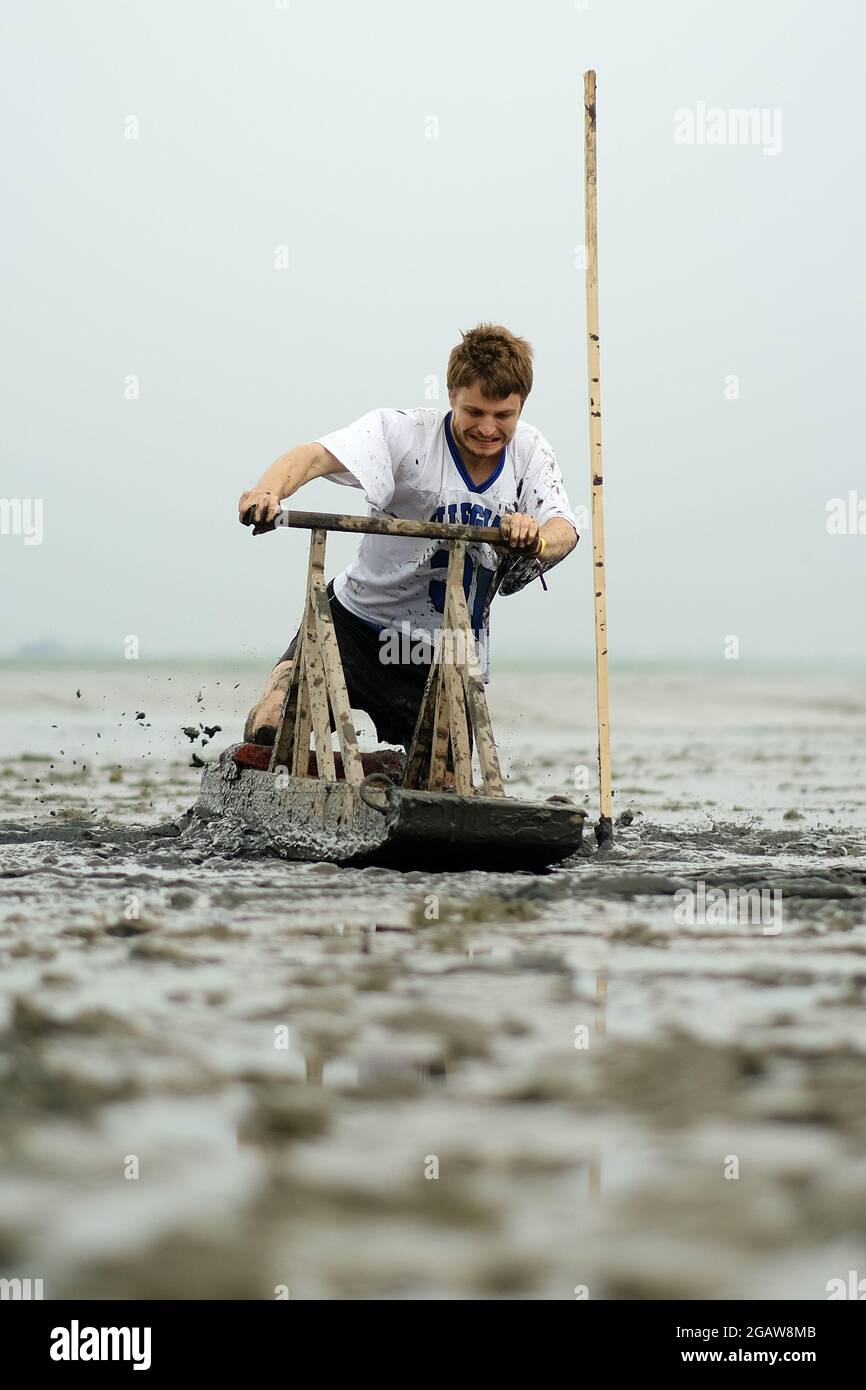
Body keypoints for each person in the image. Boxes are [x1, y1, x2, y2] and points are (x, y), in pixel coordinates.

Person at [238, 323, 579, 748]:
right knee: (274, 727)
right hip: (355, 626)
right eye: (475, 413)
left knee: (444, 780)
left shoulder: (530, 452)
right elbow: (313, 458)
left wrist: (536, 537)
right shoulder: (401, 434)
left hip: (442, 655)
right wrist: (268, 492)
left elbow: (565, 527)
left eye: (503, 416)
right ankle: (276, 704)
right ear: (452, 395)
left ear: (521, 407)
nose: (488, 430)